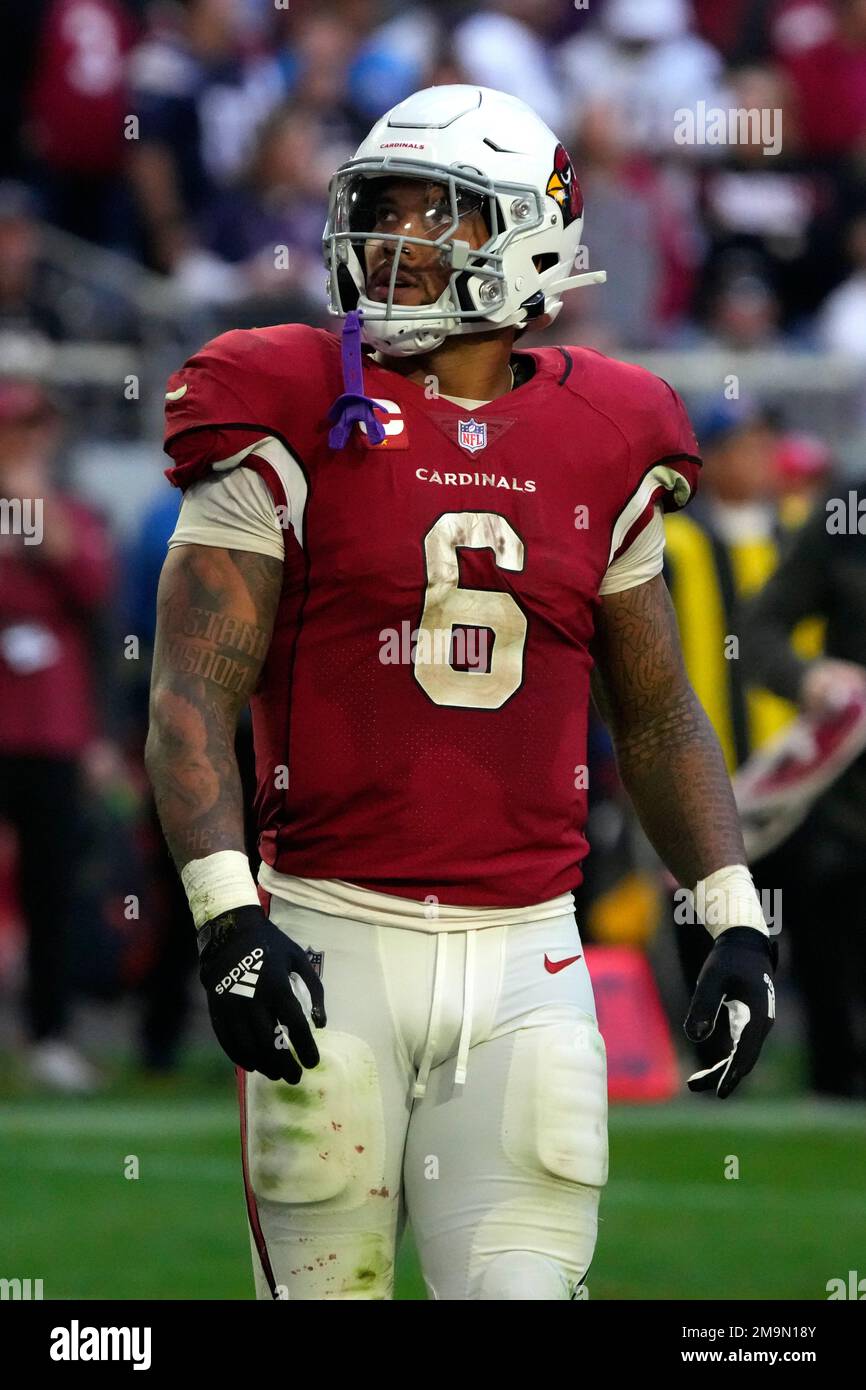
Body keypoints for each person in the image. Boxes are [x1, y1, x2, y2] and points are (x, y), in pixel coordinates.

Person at [145, 85, 777, 1302]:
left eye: (433, 214)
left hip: (529, 958)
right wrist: (227, 918)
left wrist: (730, 913)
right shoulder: (283, 398)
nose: (392, 243)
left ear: (527, 237)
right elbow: (187, 689)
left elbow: (653, 708)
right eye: (378, 211)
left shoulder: (610, 424)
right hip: (328, 934)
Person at [0, 378, 113, 1091]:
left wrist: (29, 505)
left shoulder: (69, 509)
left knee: (51, 886)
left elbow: (90, 585)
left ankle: (50, 1034)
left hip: (48, 728)